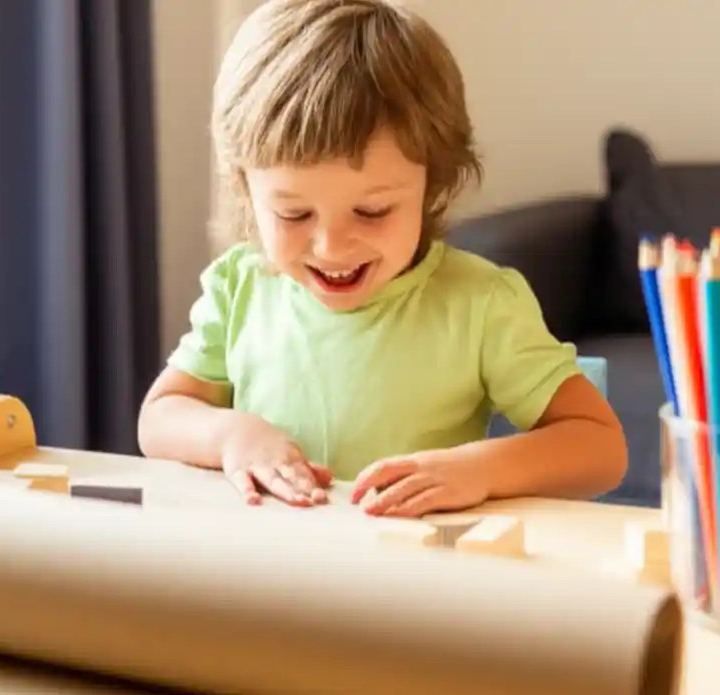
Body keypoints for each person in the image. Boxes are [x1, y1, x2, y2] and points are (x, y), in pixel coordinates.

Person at [138, 0, 627, 517]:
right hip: (265, 576)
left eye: (371, 211)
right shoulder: (240, 284)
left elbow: (599, 446)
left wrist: (478, 470)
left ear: (432, 185)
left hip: (411, 580)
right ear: (246, 190)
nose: (331, 246)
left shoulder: (480, 303)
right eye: (293, 214)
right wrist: (231, 434)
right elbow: (160, 418)